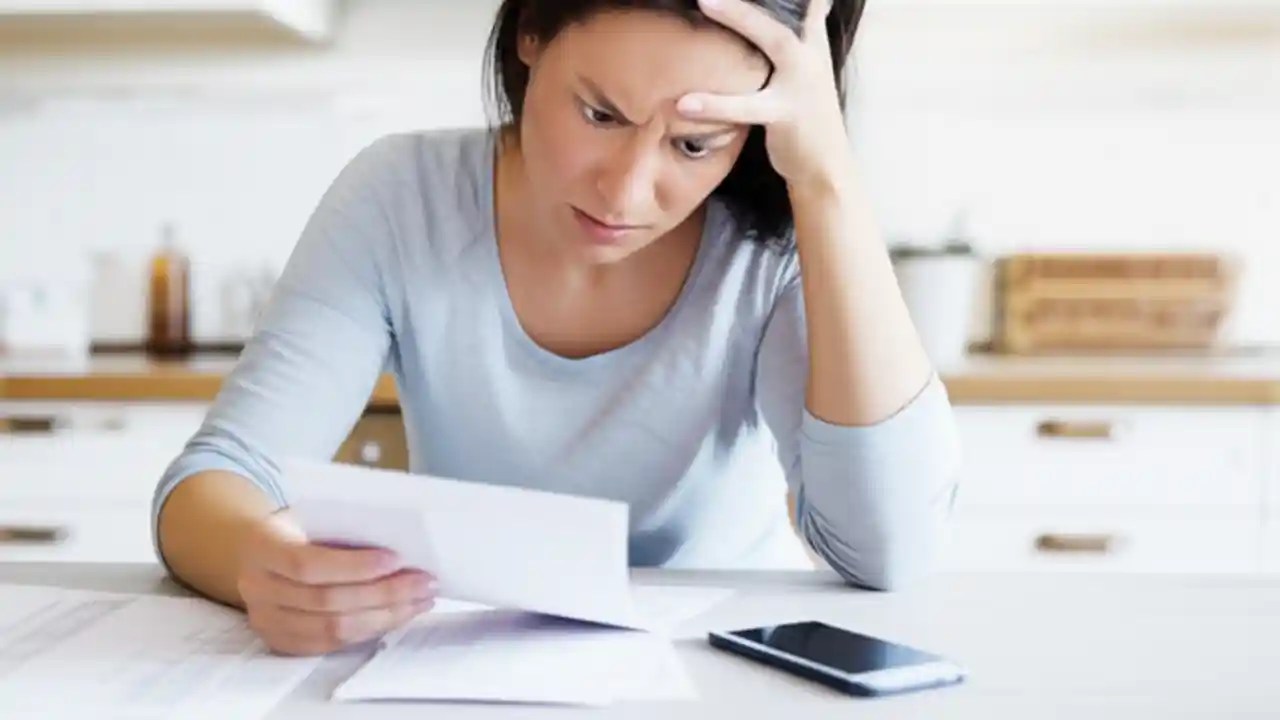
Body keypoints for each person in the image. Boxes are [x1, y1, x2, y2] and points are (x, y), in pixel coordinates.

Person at [153, 0, 961, 657]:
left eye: (694, 143)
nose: (627, 192)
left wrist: (825, 178)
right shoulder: (400, 198)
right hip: (466, 660)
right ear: (531, 31)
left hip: (721, 670)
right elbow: (217, 479)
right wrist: (264, 565)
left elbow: (888, 549)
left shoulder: (772, 245)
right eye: (600, 113)